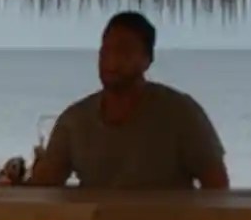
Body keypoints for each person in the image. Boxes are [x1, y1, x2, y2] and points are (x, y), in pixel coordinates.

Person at [27, 11, 229, 190]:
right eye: (105, 51)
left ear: (147, 60)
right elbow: (45, 187)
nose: (112, 61)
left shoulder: (181, 113)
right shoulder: (75, 120)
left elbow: (217, 186)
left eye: (124, 52)